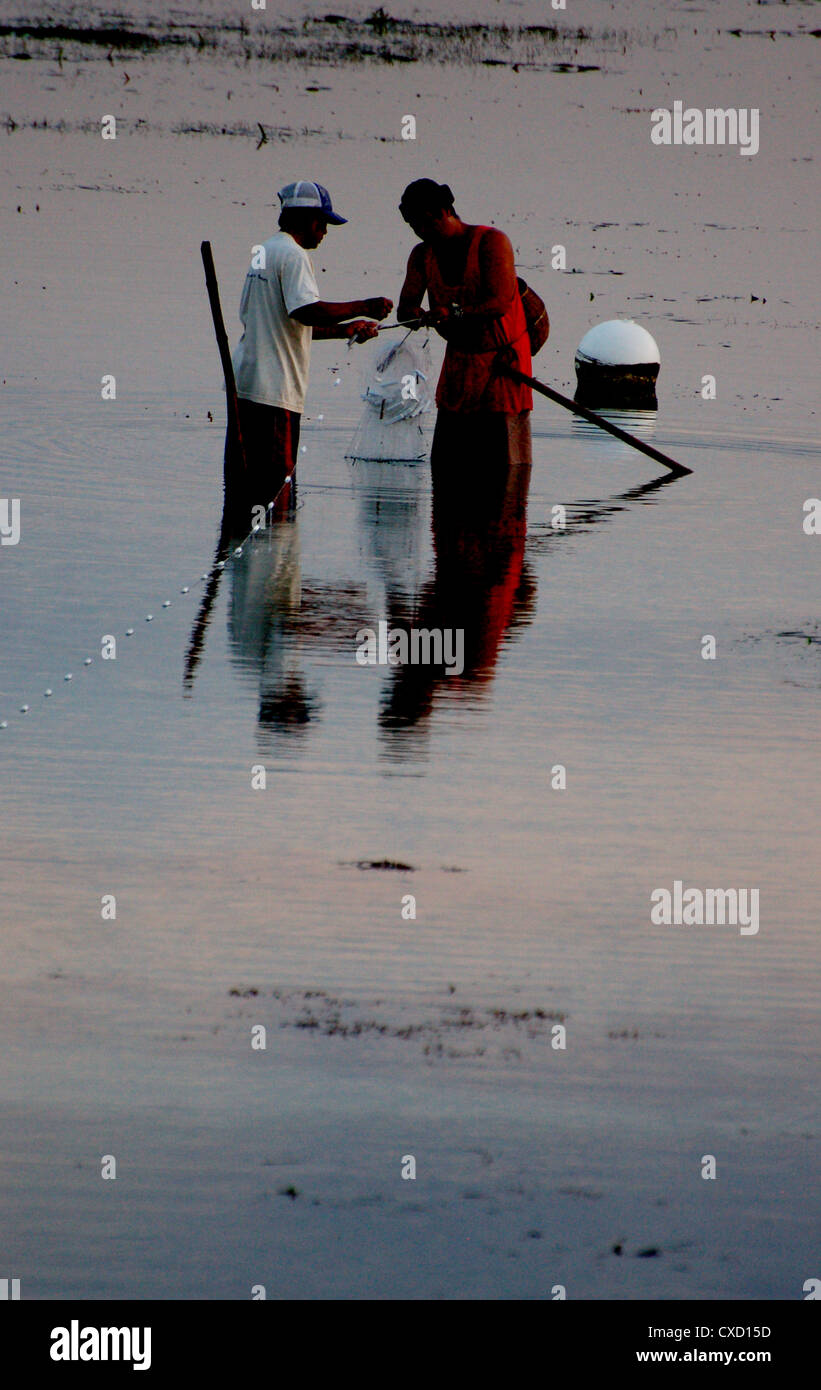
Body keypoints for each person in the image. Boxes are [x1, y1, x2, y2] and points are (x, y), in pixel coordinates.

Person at [230, 180, 393, 520]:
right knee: (277, 494)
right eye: (322, 223)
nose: (324, 232)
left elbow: (285, 322)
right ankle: (277, 567)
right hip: (275, 393)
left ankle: (245, 559)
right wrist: (364, 305)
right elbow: (306, 311)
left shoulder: (266, 250)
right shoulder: (293, 254)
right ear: (302, 218)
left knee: (245, 488)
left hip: (245, 387)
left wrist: (344, 331)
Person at [396, 178, 532, 470]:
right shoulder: (422, 255)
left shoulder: (491, 242)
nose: (422, 232)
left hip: (502, 362)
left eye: (427, 223)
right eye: (414, 226)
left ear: (446, 211)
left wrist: (452, 313)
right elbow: (404, 309)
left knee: (503, 464)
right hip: (459, 361)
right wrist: (417, 315)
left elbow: (499, 303)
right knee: (448, 461)